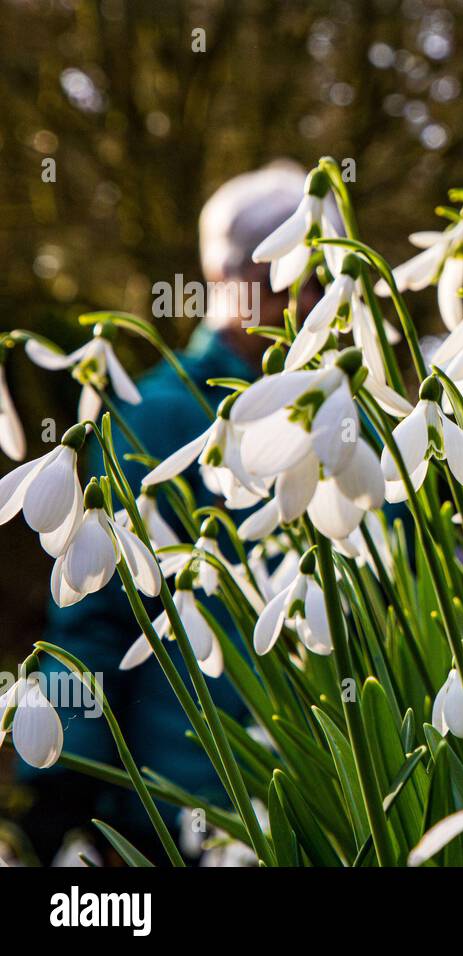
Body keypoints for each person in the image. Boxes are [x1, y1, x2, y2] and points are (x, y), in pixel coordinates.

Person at [19, 162, 325, 863]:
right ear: (226, 276)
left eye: (317, 281)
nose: (303, 302)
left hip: (347, 791)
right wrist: (59, 780)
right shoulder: (155, 416)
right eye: (281, 280)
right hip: (189, 801)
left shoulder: (355, 423)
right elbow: (97, 614)